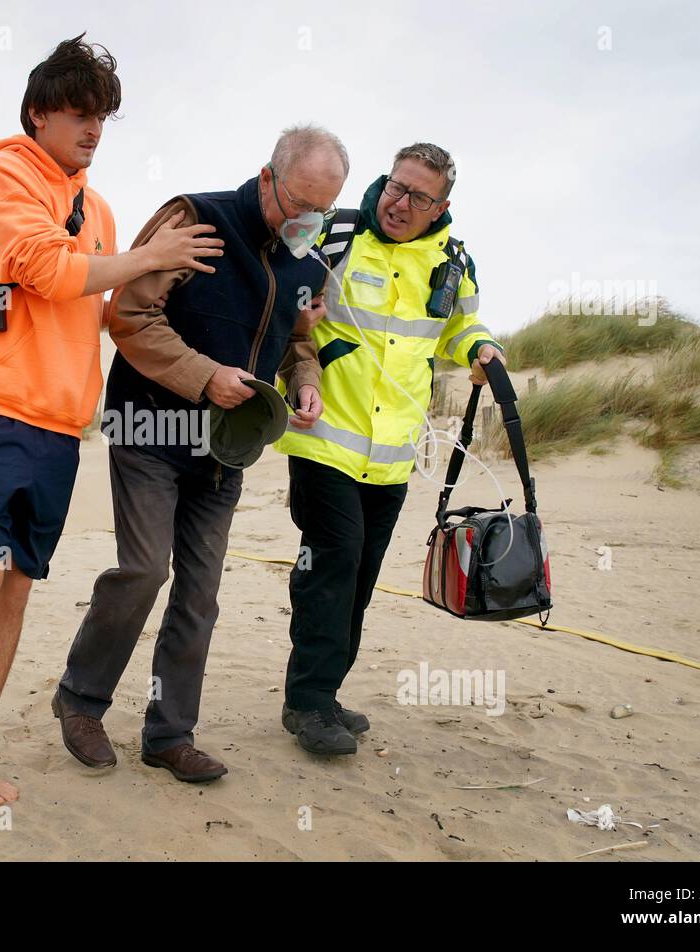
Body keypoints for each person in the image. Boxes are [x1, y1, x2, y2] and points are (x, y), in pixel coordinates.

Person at [0, 33, 224, 803]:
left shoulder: (103, 209)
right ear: (40, 113)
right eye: (79, 114)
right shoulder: (4, 171)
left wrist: (188, 311)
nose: (92, 131)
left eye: (102, 118)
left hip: (57, 428)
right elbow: (49, 270)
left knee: (14, 592)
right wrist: (145, 259)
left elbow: (107, 307)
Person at [54, 125, 347, 783]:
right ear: (267, 176)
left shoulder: (307, 258)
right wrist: (203, 375)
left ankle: (168, 735)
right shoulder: (195, 218)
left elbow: (299, 340)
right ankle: (80, 700)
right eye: (296, 203)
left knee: (201, 595)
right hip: (150, 432)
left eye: (320, 211)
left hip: (225, 451)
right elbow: (129, 318)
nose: (305, 222)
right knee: (143, 571)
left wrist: (304, 384)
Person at [274, 142, 505, 755]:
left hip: (395, 451)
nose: (398, 202)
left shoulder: (452, 263)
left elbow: (461, 328)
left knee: (362, 574)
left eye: (417, 196)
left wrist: (481, 348)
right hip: (324, 433)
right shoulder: (336, 233)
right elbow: (282, 289)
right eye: (394, 186)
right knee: (335, 560)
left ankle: (322, 692)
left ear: (441, 206)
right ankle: (308, 702)